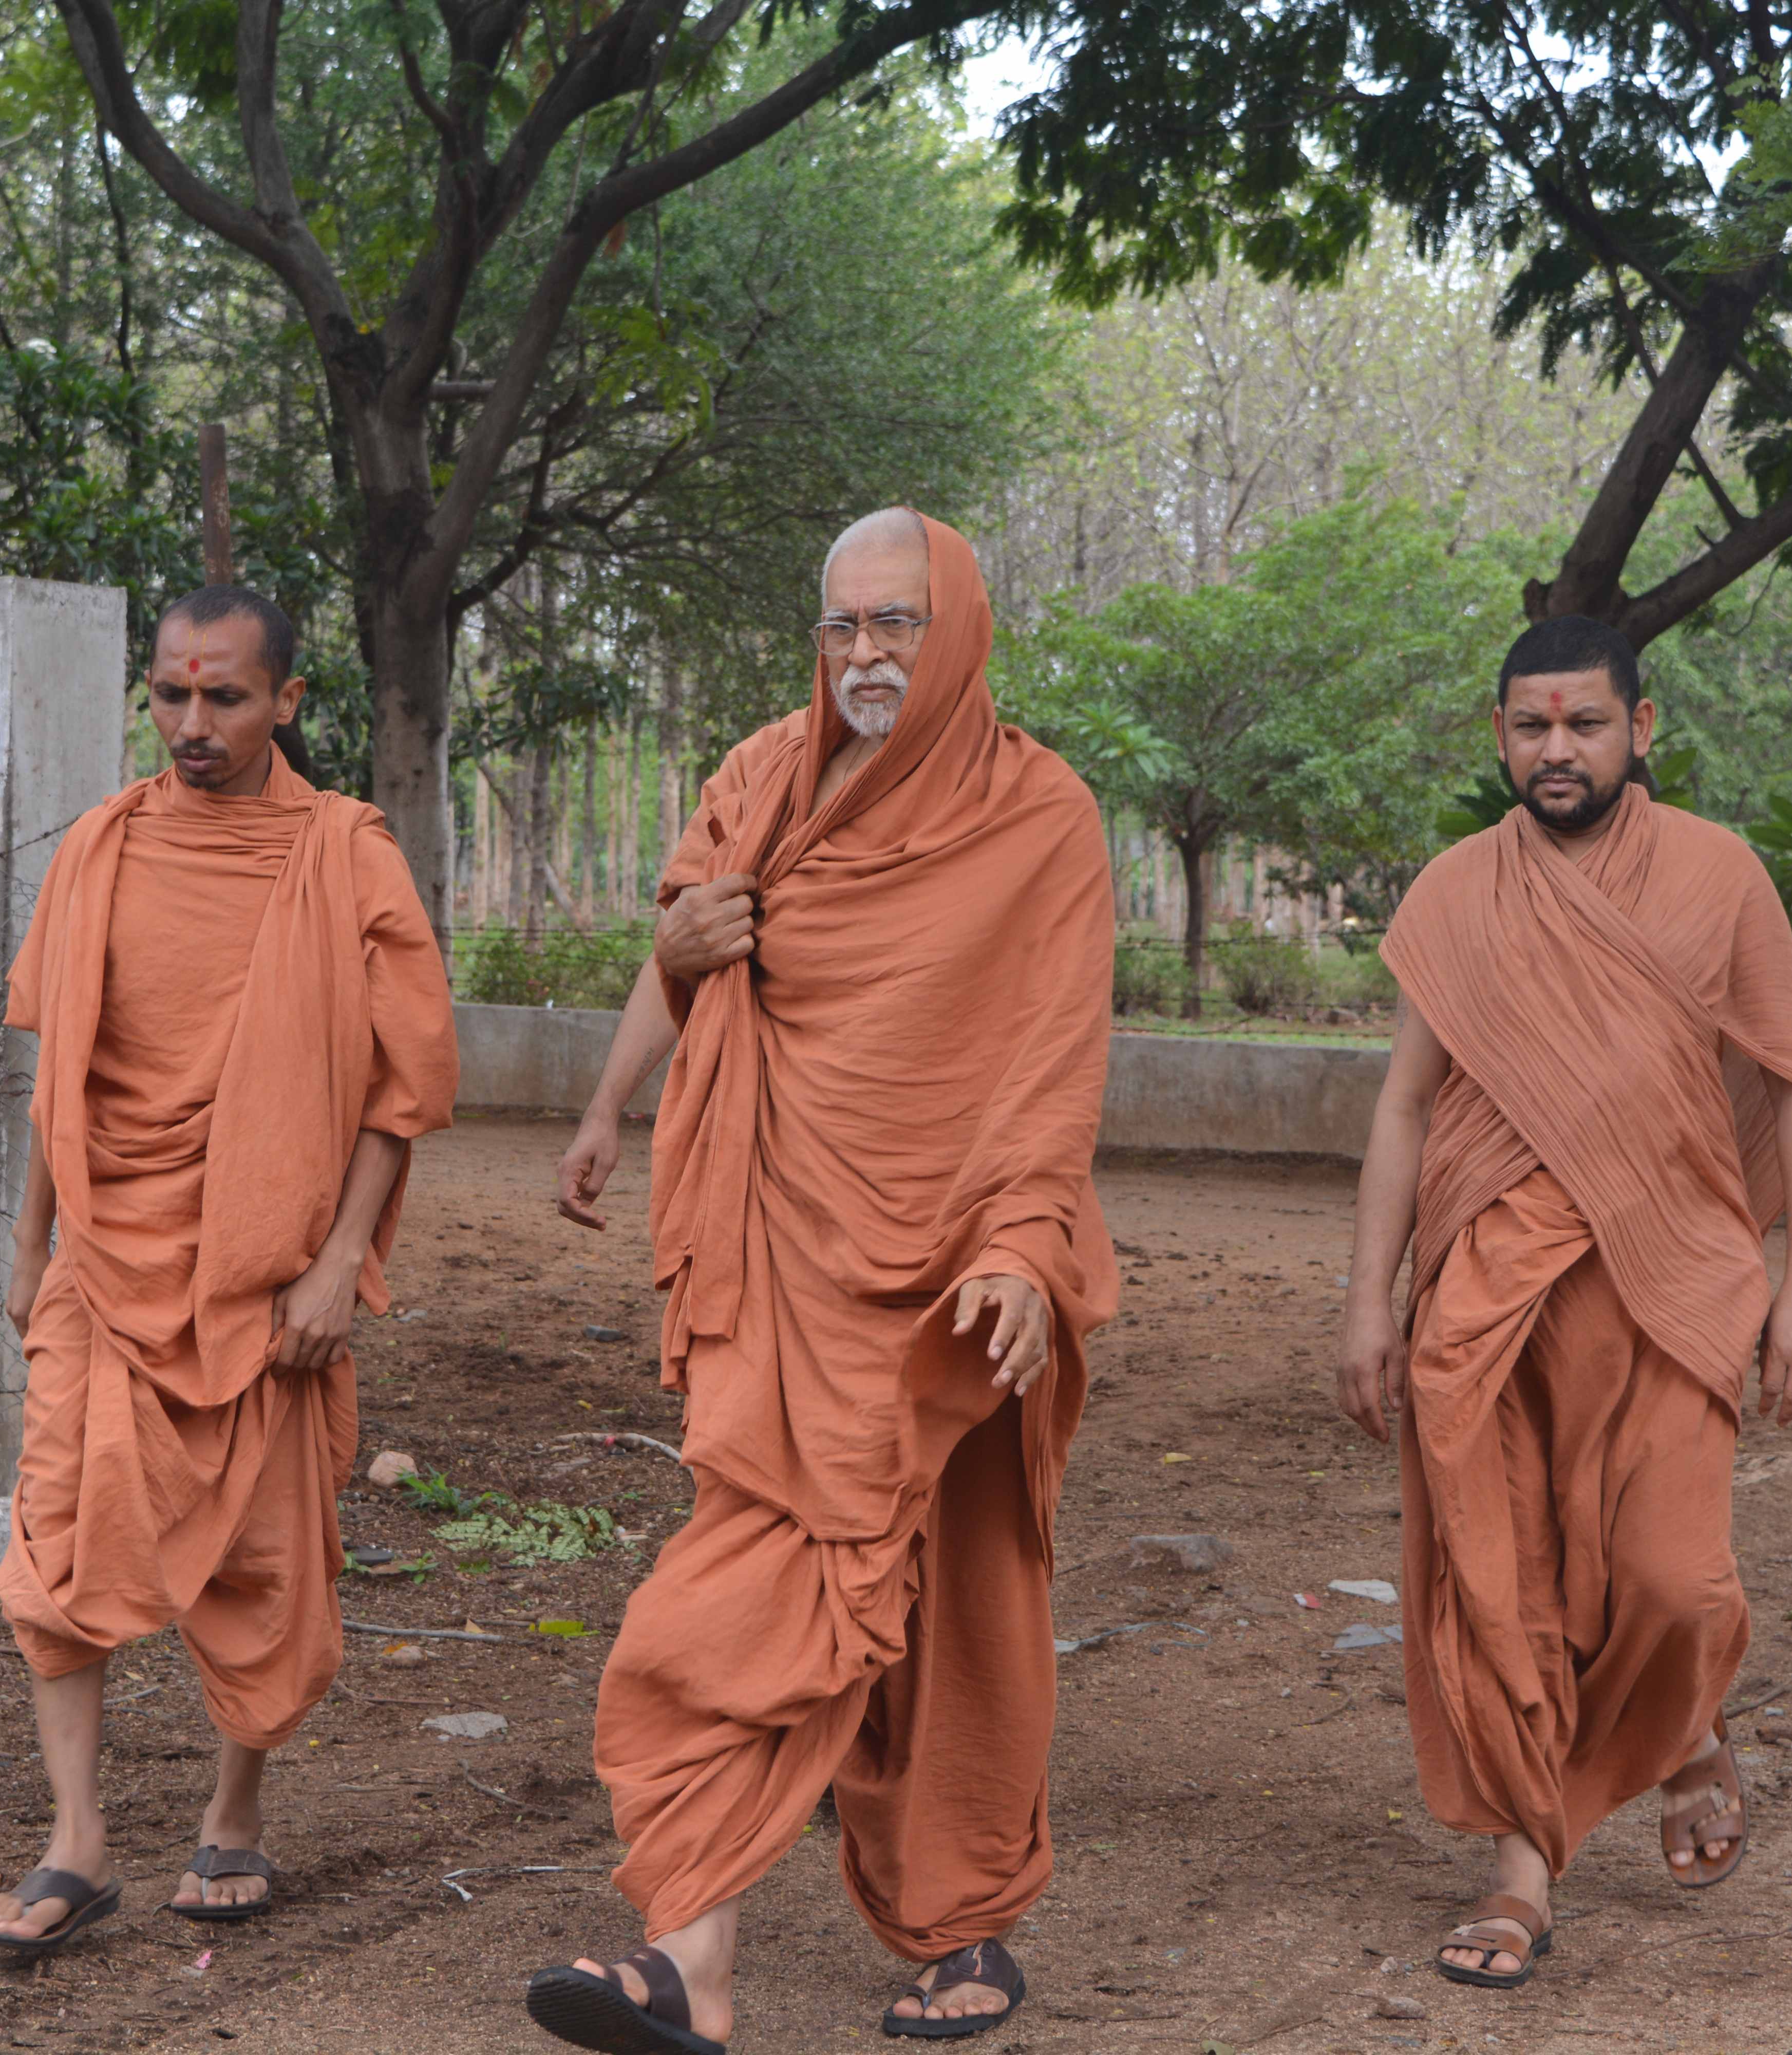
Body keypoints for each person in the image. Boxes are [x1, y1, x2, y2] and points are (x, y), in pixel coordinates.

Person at [524, 509, 1118, 2052]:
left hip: (952, 1288)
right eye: (844, 626)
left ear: (963, 626)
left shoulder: (1041, 817)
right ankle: (688, 1965)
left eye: (899, 625)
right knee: (745, 1586)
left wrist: (1020, 1250)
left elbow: (1055, 1061)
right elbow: (680, 955)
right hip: (777, 1260)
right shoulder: (757, 781)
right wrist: (619, 1078)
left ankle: (965, 1924)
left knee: (960, 1606)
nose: (866, 657)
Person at [1336, 615, 1792, 1990]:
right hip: (1483, 1294)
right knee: (1503, 1589)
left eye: (1585, 725)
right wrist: (1366, 1304)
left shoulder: (1717, 877)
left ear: (1643, 728)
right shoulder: (1453, 891)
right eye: (1529, 727)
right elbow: (1403, 1105)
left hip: (1672, 1280)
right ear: (1497, 736)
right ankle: (1521, 1874)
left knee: (1673, 1583)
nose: (1556, 751)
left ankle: (1686, 1733)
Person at [0, 585, 457, 1955]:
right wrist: (27, 1250)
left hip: (269, 1275)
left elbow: (398, 1092)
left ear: (287, 702)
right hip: (101, 1263)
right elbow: (58, 1072)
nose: (193, 723)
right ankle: (78, 1842)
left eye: (225, 697)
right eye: (172, 696)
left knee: (261, 1556)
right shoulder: (101, 848)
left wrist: (340, 1260)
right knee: (55, 1547)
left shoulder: (345, 855)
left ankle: (234, 1816)